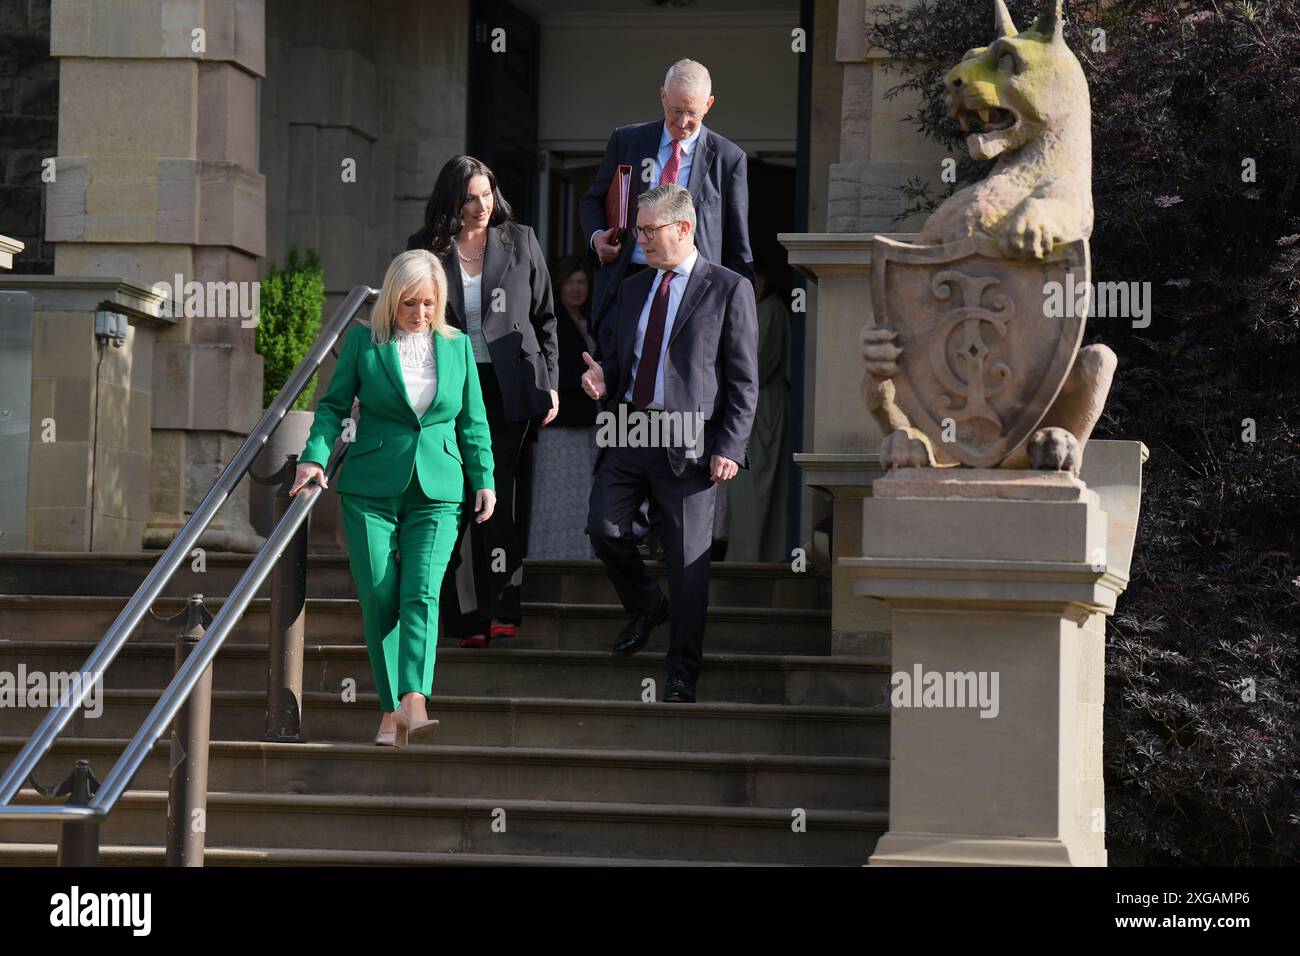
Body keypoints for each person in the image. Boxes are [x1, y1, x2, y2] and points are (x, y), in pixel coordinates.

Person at [289, 250, 496, 748]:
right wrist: (313, 457)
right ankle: (389, 711)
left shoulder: (457, 346)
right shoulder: (364, 342)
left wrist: (484, 477)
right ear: (391, 300)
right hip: (369, 489)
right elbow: (333, 406)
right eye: (409, 303)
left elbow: (473, 420)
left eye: (429, 303)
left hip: (439, 489)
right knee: (380, 596)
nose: (420, 313)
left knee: (421, 592)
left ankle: (415, 700)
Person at [580, 184, 758, 704]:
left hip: (693, 442)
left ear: (683, 228)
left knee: (687, 563)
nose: (640, 240)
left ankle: (682, 670)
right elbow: (623, 360)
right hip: (632, 430)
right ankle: (645, 603)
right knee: (604, 526)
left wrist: (730, 445)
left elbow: (744, 380)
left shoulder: (727, 288)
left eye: (648, 231)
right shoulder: (633, 286)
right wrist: (603, 379)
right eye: (639, 231)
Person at [407, 156, 558, 648]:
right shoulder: (424, 248)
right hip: (449, 388)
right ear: (451, 199)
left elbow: (545, 317)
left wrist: (551, 382)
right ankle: (462, 615)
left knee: (500, 500)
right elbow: (407, 322)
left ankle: (501, 608)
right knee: (453, 498)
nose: (480, 206)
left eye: (487, 195)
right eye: (470, 197)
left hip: (510, 388)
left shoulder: (521, 240)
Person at [581, 58, 754, 352]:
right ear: (662, 96)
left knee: (680, 382)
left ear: (709, 104)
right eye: (675, 111)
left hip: (693, 290)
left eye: (692, 113)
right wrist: (597, 237)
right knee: (617, 378)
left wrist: (741, 314)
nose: (683, 122)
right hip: (628, 279)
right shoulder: (628, 140)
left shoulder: (729, 158)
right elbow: (592, 199)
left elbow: (738, 244)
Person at [528, 256, 598, 558]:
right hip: (561, 422)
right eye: (571, 282)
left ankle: (583, 554)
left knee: (585, 495)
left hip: (590, 424)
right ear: (559, 285)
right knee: (556, 498)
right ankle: (552, 557)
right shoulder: (550, 319)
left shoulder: (589, 318)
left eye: (581, 282)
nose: (576, 289)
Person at [727, 264, 791, 562]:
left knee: (756, 488)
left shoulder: (769, 312)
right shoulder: (759, 311)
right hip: (752, 406)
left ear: (761, 282)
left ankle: (753, 558)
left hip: (761, 409)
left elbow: (757, 369)